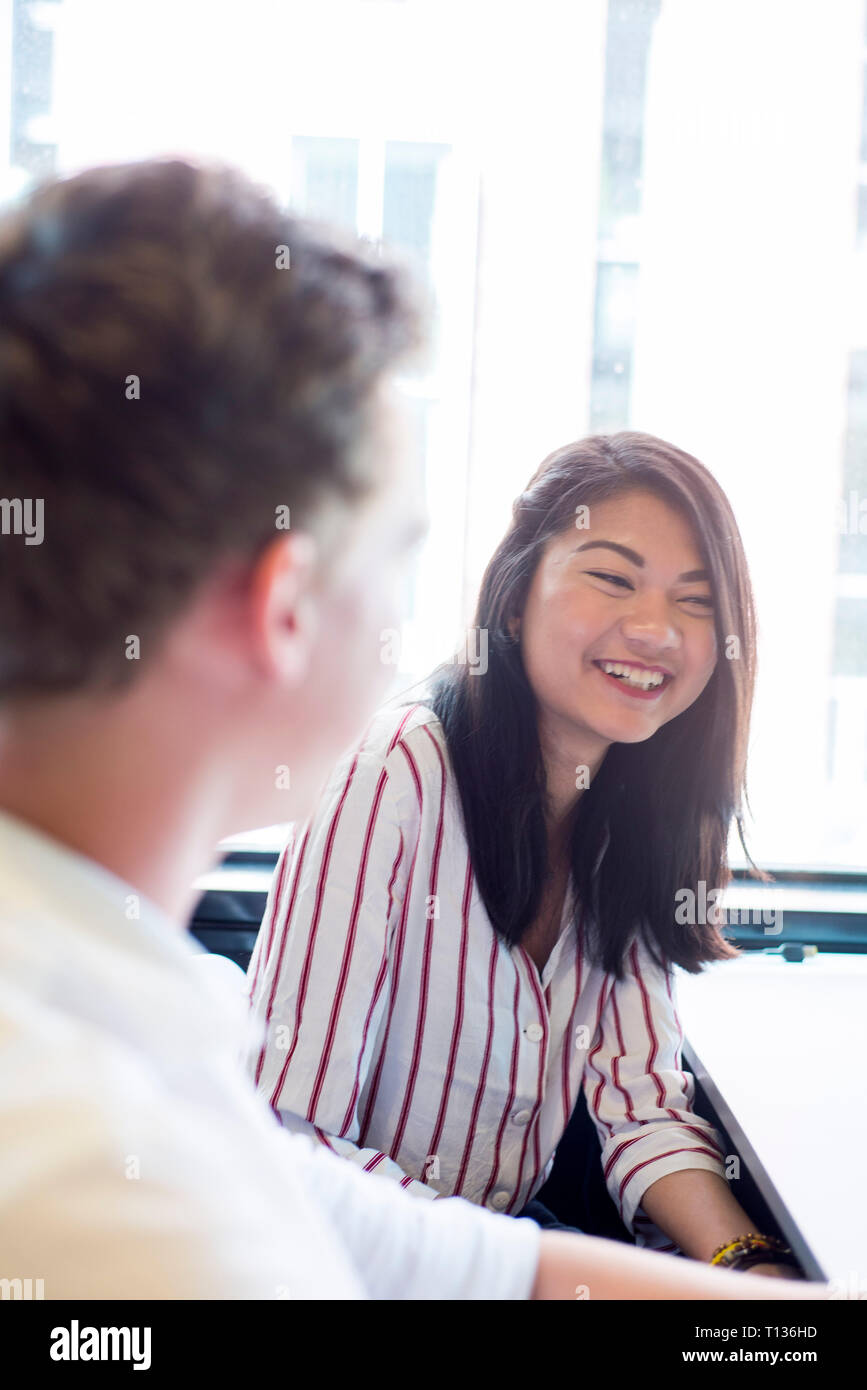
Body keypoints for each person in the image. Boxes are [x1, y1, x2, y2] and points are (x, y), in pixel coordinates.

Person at [0, 156, 823, 1299]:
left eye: (693, 600)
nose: (656, 631)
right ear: (284, 607)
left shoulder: (134, 1018)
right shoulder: (87, 1170)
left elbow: (438, 1246)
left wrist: (776, 1301)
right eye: (398, 557)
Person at [247, 430, 799, 1276]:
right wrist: (540, 1267)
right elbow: (290, 1144)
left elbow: (641, 1108)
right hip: (357, 1267)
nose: (654, 629)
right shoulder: (390, 774)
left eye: (695, 602)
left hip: (510, 1256)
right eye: (612, 578)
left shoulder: (628, 816)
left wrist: (746, 1261)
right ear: (514, 597)